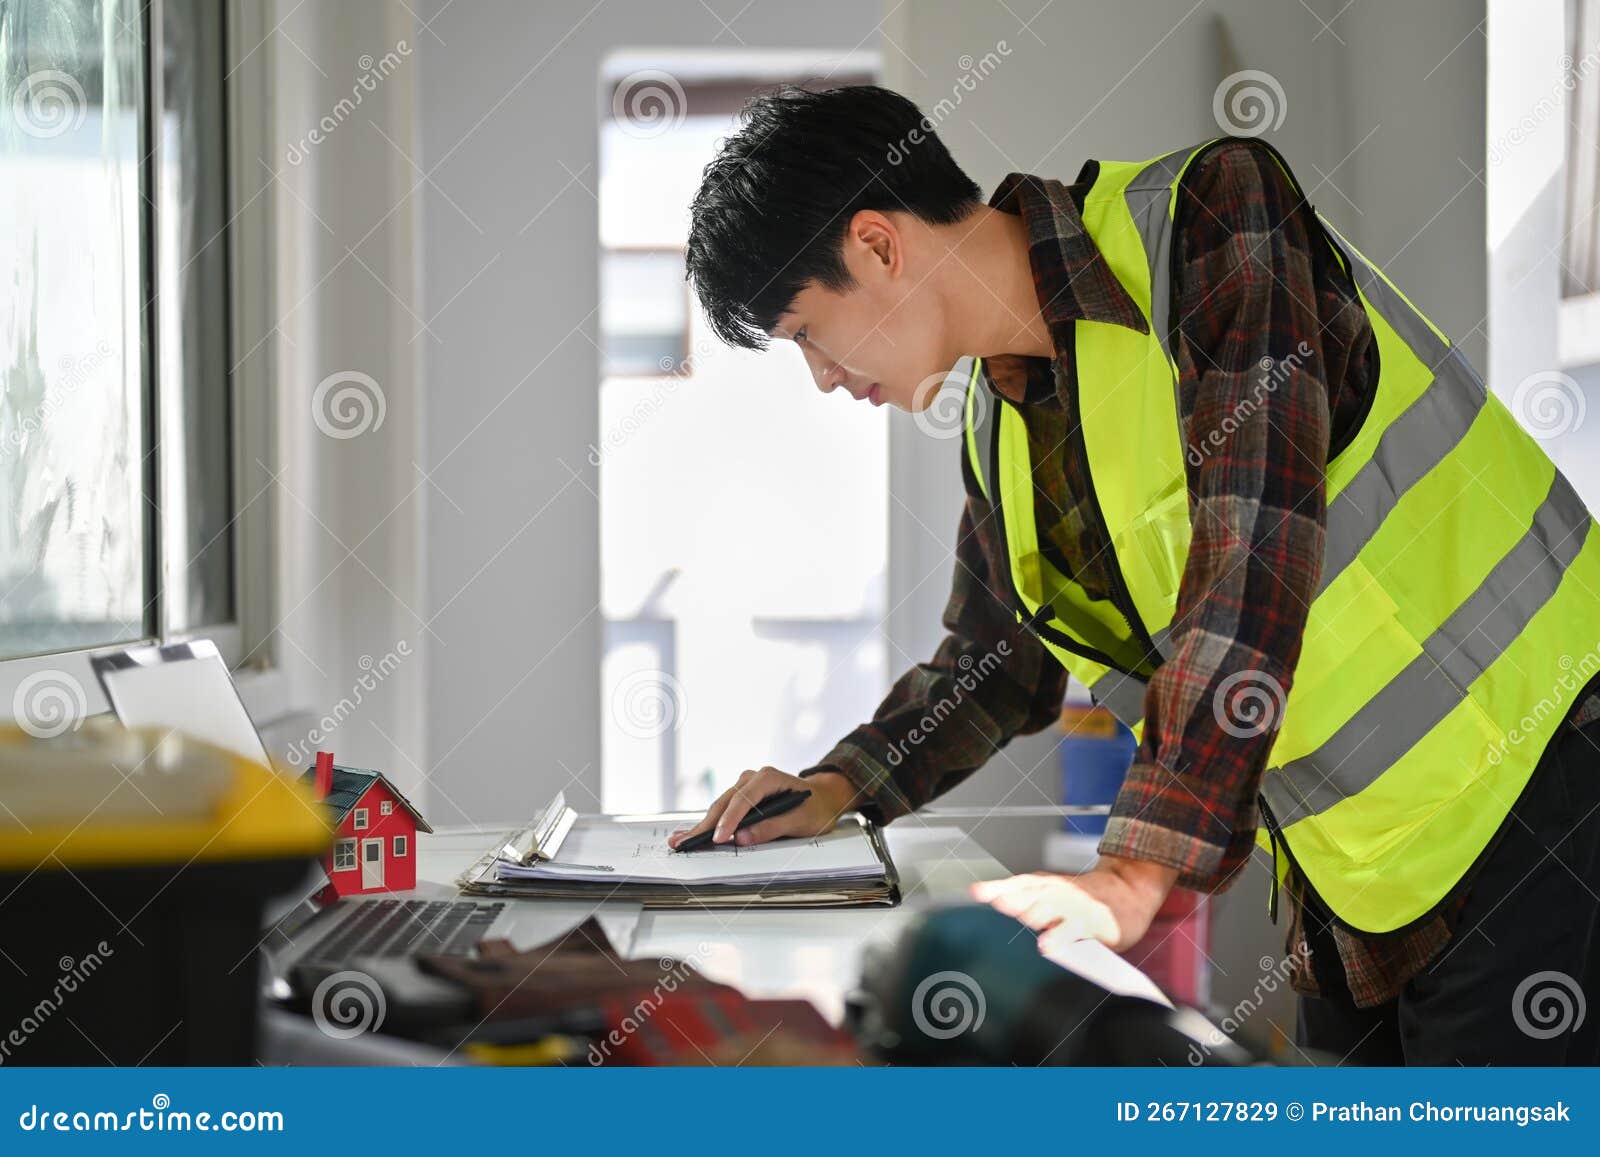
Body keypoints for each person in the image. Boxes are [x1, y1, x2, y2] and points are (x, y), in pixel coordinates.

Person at [672, 83, 1600, 1065]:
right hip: (1361, 869)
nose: (822, 376)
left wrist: (1133, 872)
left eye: (806, 332)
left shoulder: (1213, 215)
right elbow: (994, 667)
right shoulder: (994, 426)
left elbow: (1253, 548)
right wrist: (837, 785)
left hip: (1541, 778)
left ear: (877, 245)